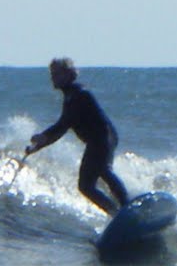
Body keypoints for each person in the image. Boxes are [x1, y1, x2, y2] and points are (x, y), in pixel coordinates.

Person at [24, 58, 128, 216]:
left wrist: (43, 136)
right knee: (91, 181)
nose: (53, 77)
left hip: (102, 139)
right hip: (100, 140)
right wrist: (37, 147)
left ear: (68, 74)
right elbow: (62, 128)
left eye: (56, 73)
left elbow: (63, 124)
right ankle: (118, 213)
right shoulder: (70, 96)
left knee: (96, 177)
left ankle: (124, 209)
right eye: (52, 74)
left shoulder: (80, 94)